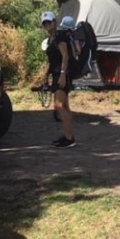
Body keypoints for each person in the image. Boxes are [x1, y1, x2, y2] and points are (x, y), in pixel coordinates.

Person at [41, 11, 76, 148]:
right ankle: (68, 136)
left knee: (58, 106)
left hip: (62, 75)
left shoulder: (60, 37)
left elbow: (65, 56)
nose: (47, 24)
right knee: (65, 107)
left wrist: (62, 74)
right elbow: (53, 61)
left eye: (49, 22)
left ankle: (69, 139)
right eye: (44, 23)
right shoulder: (51, 39)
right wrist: (46, 75)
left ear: (55, 22)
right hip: (57, 74)